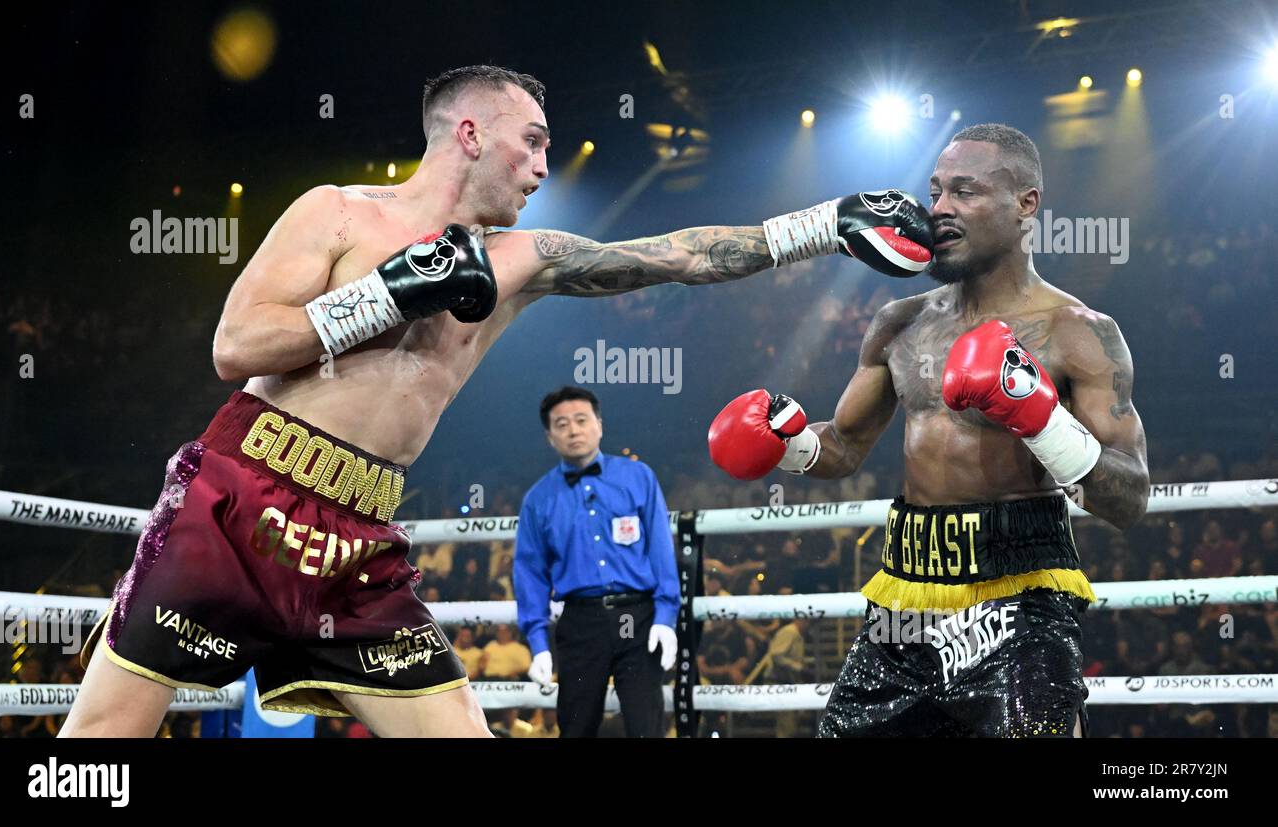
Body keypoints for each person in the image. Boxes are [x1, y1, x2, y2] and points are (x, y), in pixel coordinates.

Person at [61, 64, 932, 738]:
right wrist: (391, 291)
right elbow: (236, 347)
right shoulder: (337, 214)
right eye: (534, 141)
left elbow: (677, 255)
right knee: (102, 737)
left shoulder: (523, 258)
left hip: (360, 535)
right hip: (239, 499)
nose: (546, 165)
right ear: (470, 132)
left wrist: (823, 225)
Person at [710, 123, 1149, 737]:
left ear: (1026, 204)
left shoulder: (1079, 332)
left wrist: (1040, 418)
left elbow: (1129, 497)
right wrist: (789, 443)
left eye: (964, 192)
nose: (938, 209)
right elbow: (845, 445)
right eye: (936, 190)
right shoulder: (899, 321)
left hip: (1018, 595)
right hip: (903, 598)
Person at [512, 386, 680, 737]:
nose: (573, 430)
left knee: (646, 725)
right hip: (581, 622)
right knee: (576, 726)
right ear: (549, 436)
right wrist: (539, 643)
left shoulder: (638, 478)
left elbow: (661, 551)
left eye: (581, 420)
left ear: (599, 425)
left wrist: (666, 616)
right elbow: (530, 573)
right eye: (562, 424)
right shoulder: (538, 500)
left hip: (635, 619)